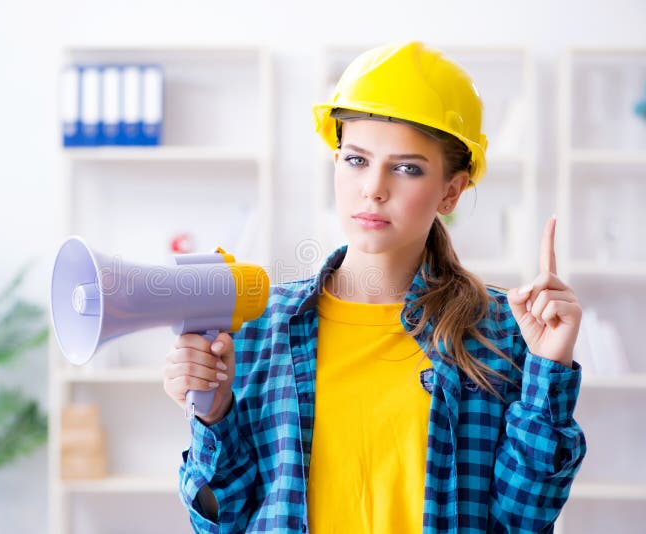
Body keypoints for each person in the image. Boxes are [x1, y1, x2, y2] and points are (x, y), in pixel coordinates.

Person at [162, 41, 586, 534]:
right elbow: (220, 523)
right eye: (357, 160)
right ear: (336, 162)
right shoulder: (256, 329)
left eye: (407, 168)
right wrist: (213, 416)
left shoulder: (503, 333)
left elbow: (523, 522)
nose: (374, 187)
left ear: (451, 191)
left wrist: (548, 371)